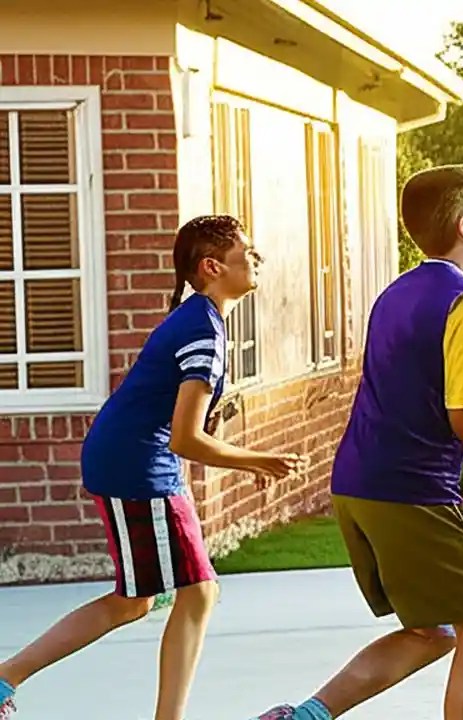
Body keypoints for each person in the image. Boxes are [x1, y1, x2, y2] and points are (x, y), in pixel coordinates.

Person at [251, 165, 463, 720]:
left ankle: (302, 717)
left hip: (356, 484)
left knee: (434, 630)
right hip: (410, 490)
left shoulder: (394, 294)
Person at [0, 215, 305, 720]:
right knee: (196, 593)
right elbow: (186, 437)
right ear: (211, 266)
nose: (257, 259)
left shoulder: (200, 320)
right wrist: (259, 461)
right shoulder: (203, 329)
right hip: (137, 467)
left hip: (133, 459)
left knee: (138, 600)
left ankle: (7, 677)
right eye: (246, 252)